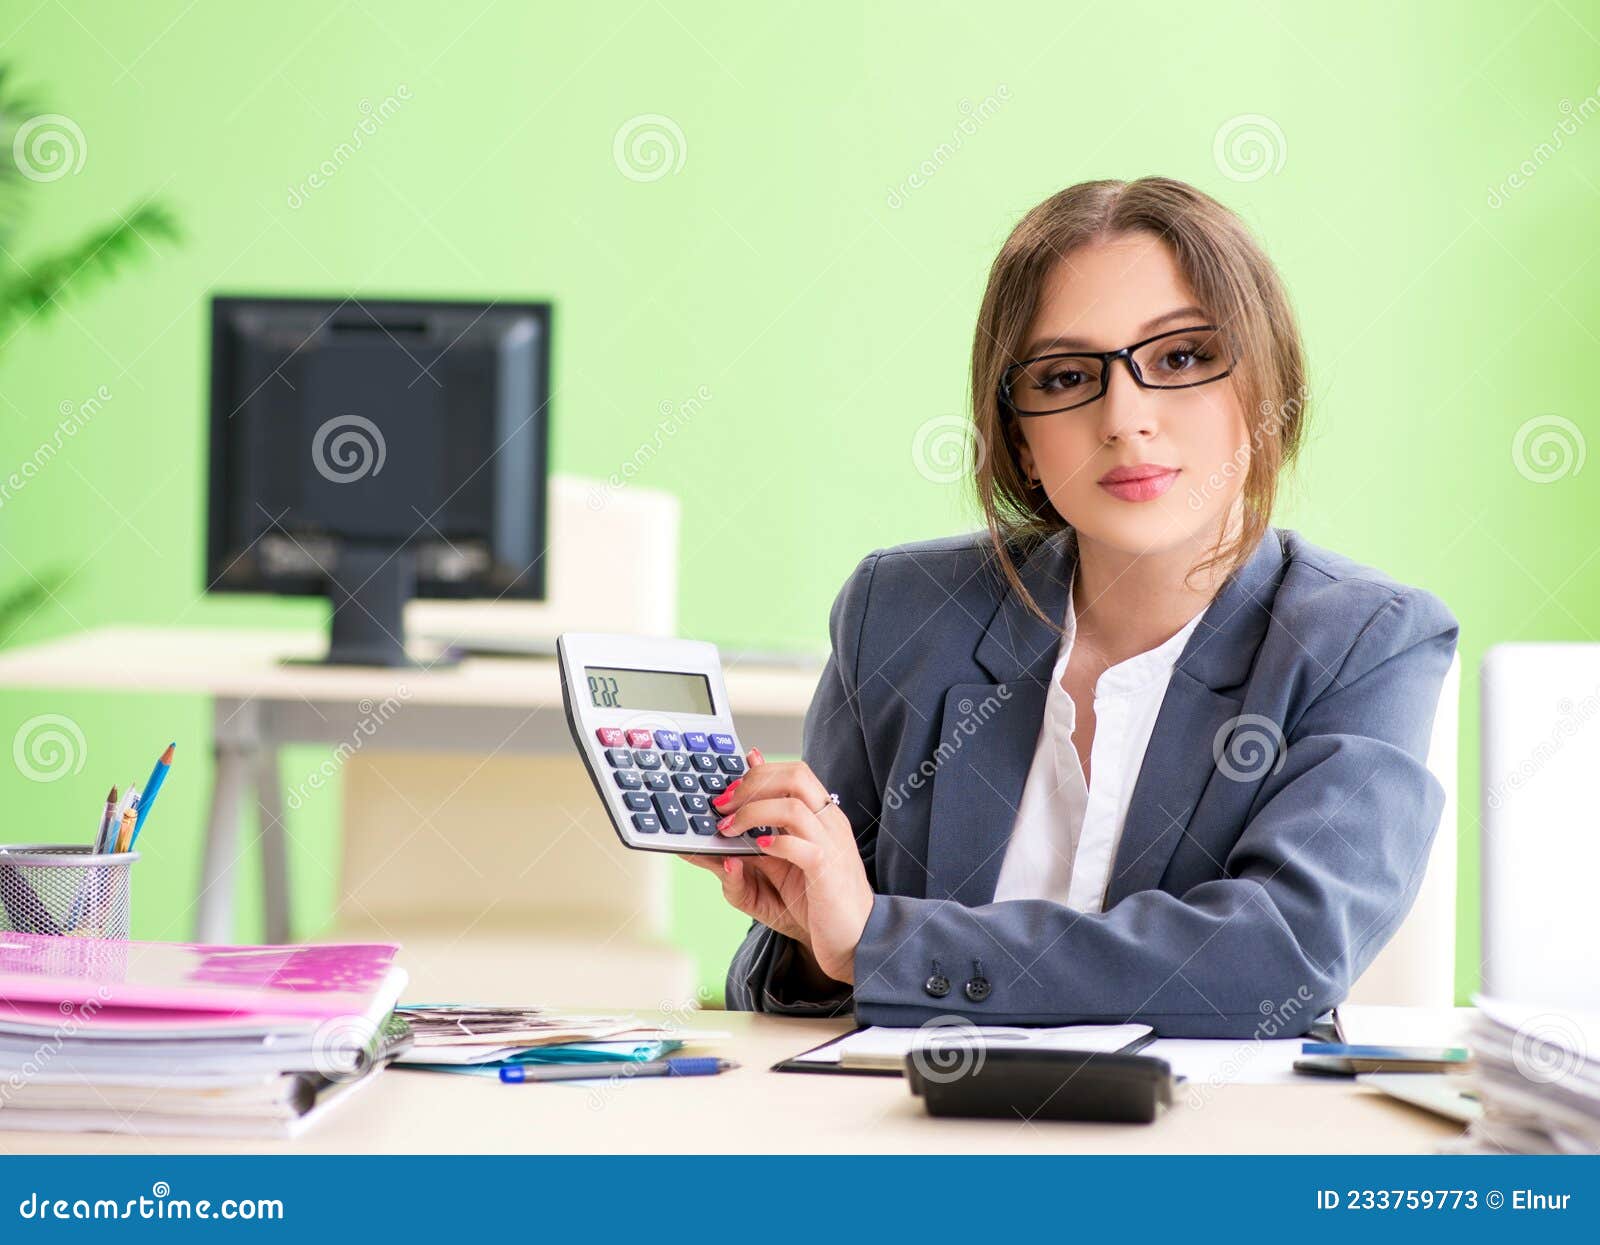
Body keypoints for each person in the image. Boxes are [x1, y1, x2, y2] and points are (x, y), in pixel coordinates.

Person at [680, 176, 1459, 1037]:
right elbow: (803, 971)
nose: (1125, 418)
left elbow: (1273, 961)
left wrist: (877, 938)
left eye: (1181, 358)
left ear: (1263, 382)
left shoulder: (1368, 641)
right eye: (1065, 375)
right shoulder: (901, 612)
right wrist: (802, 929)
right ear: (1019, 430)